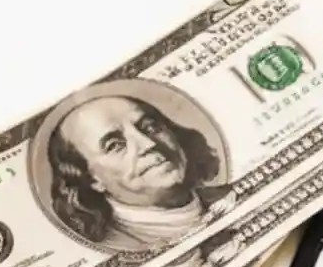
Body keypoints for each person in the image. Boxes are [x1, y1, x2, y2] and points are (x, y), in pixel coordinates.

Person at [47, 95, 225, 252]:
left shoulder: (229, 196)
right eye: (115, 145)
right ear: (91, 179)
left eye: (150, 128)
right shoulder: (113, 247)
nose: (148, 144)